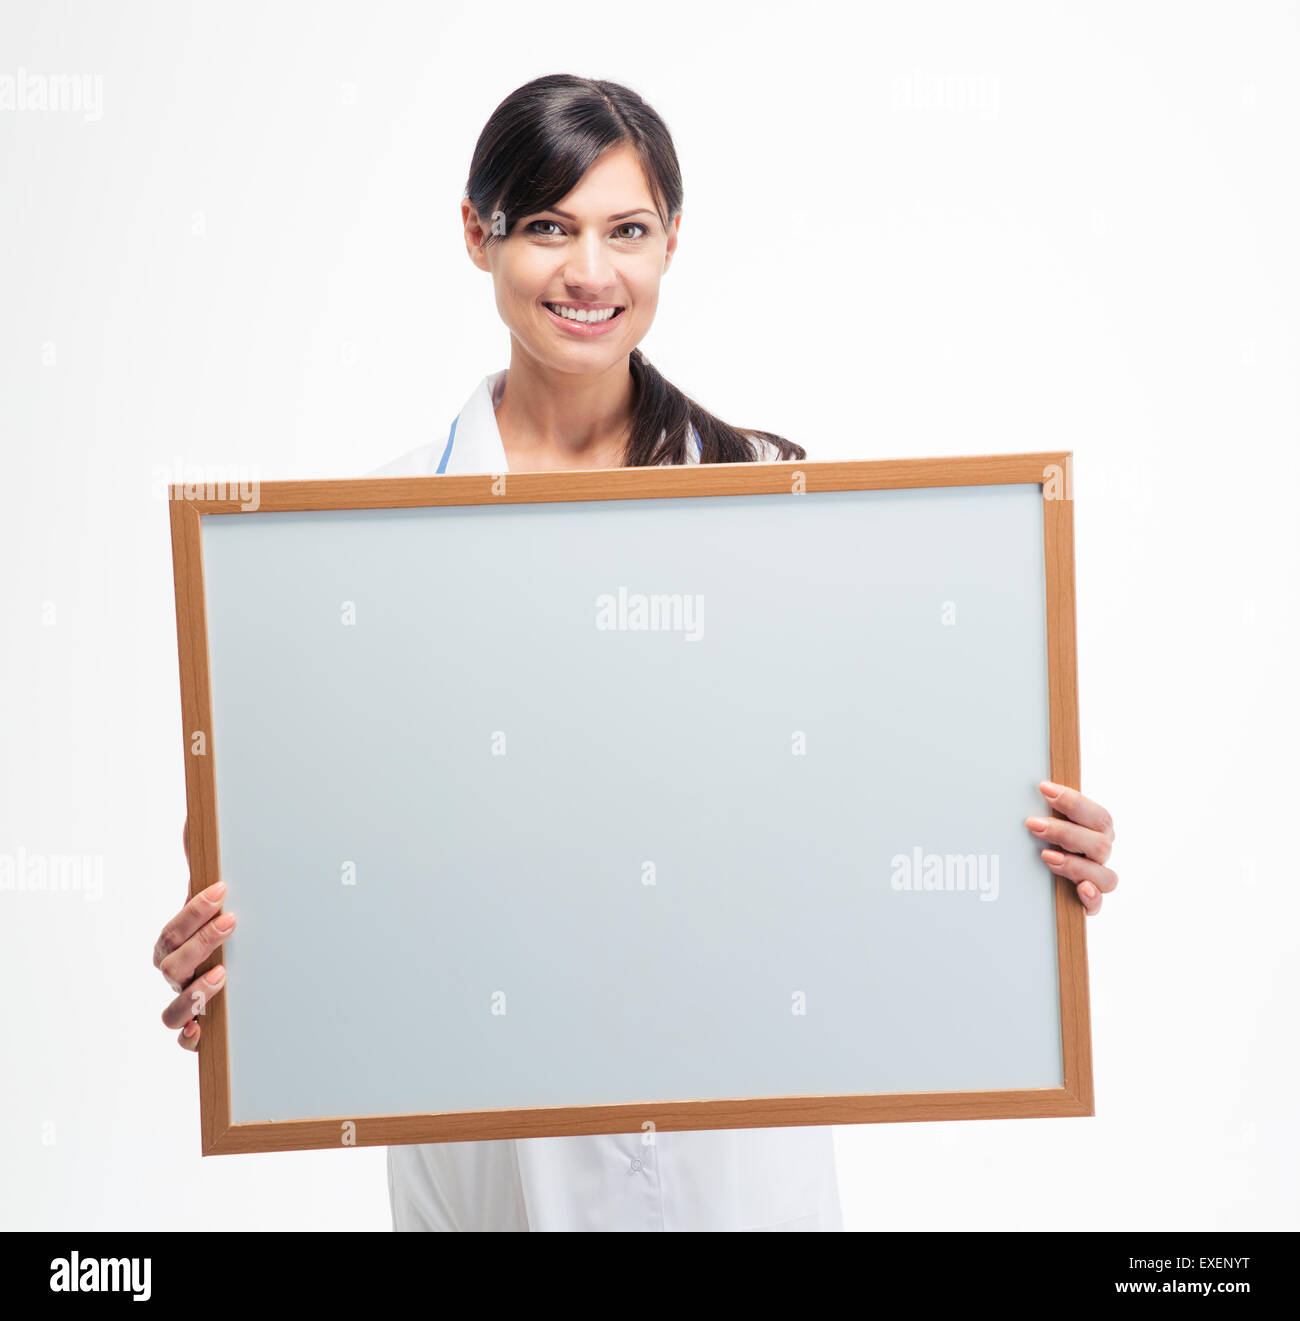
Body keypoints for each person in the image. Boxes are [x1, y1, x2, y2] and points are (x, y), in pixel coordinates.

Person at [153, 74, 1120, 1231]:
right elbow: (322, 839)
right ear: (478, 233)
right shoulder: (367, 540)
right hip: (491, 1154)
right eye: (549, 227)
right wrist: (234, 944)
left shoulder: (771, 503)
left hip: (735, 1159)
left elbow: (861, 789)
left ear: (671, 243)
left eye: (627, 231)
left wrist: (1025, 859)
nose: (589, 274)